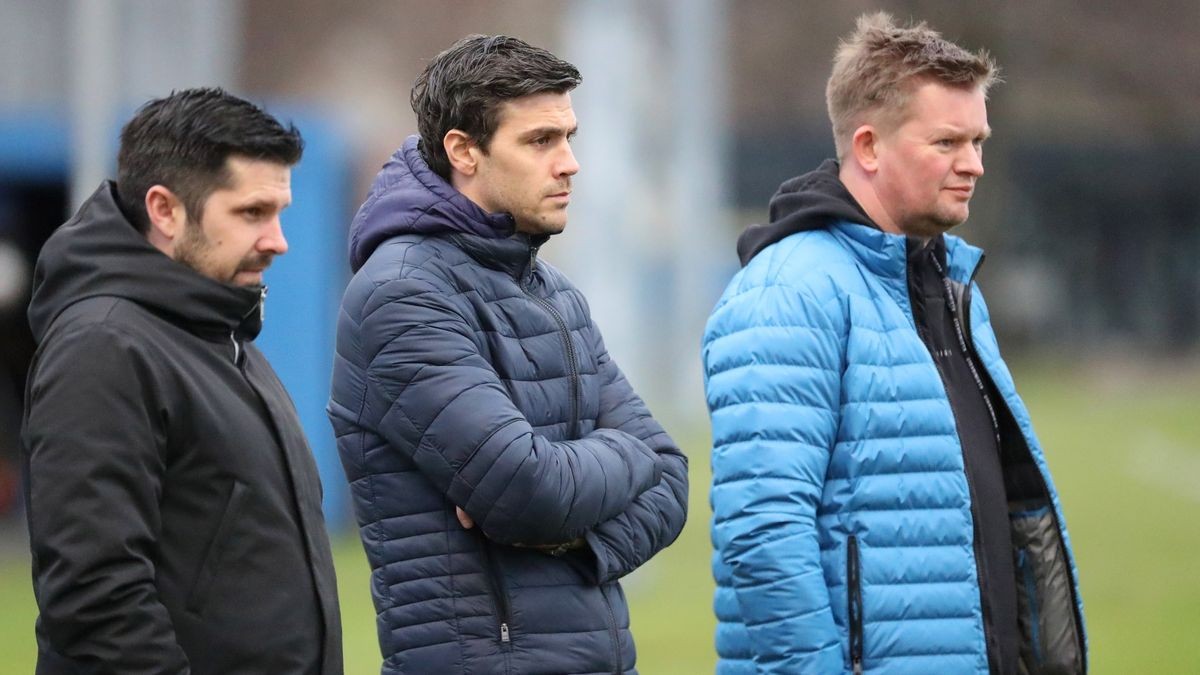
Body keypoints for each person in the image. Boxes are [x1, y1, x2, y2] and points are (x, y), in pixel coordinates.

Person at [703, 13, 1086, 675]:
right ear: (869, 147)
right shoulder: (789, 290)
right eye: (947, 142)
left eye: (978, 141)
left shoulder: (950, 285)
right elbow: (762, 530)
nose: (974, 165)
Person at [328, 35, 688, 674]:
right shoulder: (403, 293)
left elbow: (671, 478)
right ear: (463, 151)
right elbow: (532, 492)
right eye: (540, 141)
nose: (570, 163)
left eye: (568, 136)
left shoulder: (554, 292)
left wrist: (577, 537)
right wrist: (627, 456)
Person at [22, 87, 342, 674]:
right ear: (165, 210)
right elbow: (95, 598)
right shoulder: (104, 347)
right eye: (251, 213)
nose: (278, 240)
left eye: (279, 212)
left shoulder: (220, 333)